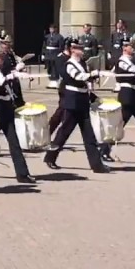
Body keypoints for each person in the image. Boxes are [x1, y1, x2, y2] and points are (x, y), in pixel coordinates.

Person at [43, 41, 110, 173]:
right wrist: (90, 75)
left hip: (82, 102)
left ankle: (97, 165)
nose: (82, 50)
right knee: (63, 133)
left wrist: (92, 94)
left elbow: (85, 83)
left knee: (89, 135)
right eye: (78, 48)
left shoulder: (82, 63)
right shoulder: (69, 64)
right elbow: (76, 77)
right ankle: (50, 157)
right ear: (72, 50)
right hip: (72, 102)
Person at [0, 48, 36, 184]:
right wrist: (11, 76)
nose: (2, 59)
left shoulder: (4, 71)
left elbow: (11, 87)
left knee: (14, 142)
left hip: (6, 107)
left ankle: (22, 174)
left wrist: (19, 73)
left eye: (2, 56)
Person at [42, 24, 64, 89]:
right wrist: (43, 54)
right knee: (49, 67)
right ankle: (51, 80)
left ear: (55, 29)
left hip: (55, 54)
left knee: (55, 68)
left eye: (52, 28)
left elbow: (61, 46)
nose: (51, 30)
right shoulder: (47, 37)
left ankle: (55, 81)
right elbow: (44, 46)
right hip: (48, 54)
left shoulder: (59, 37)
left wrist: (60, 54)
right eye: (50, 28)